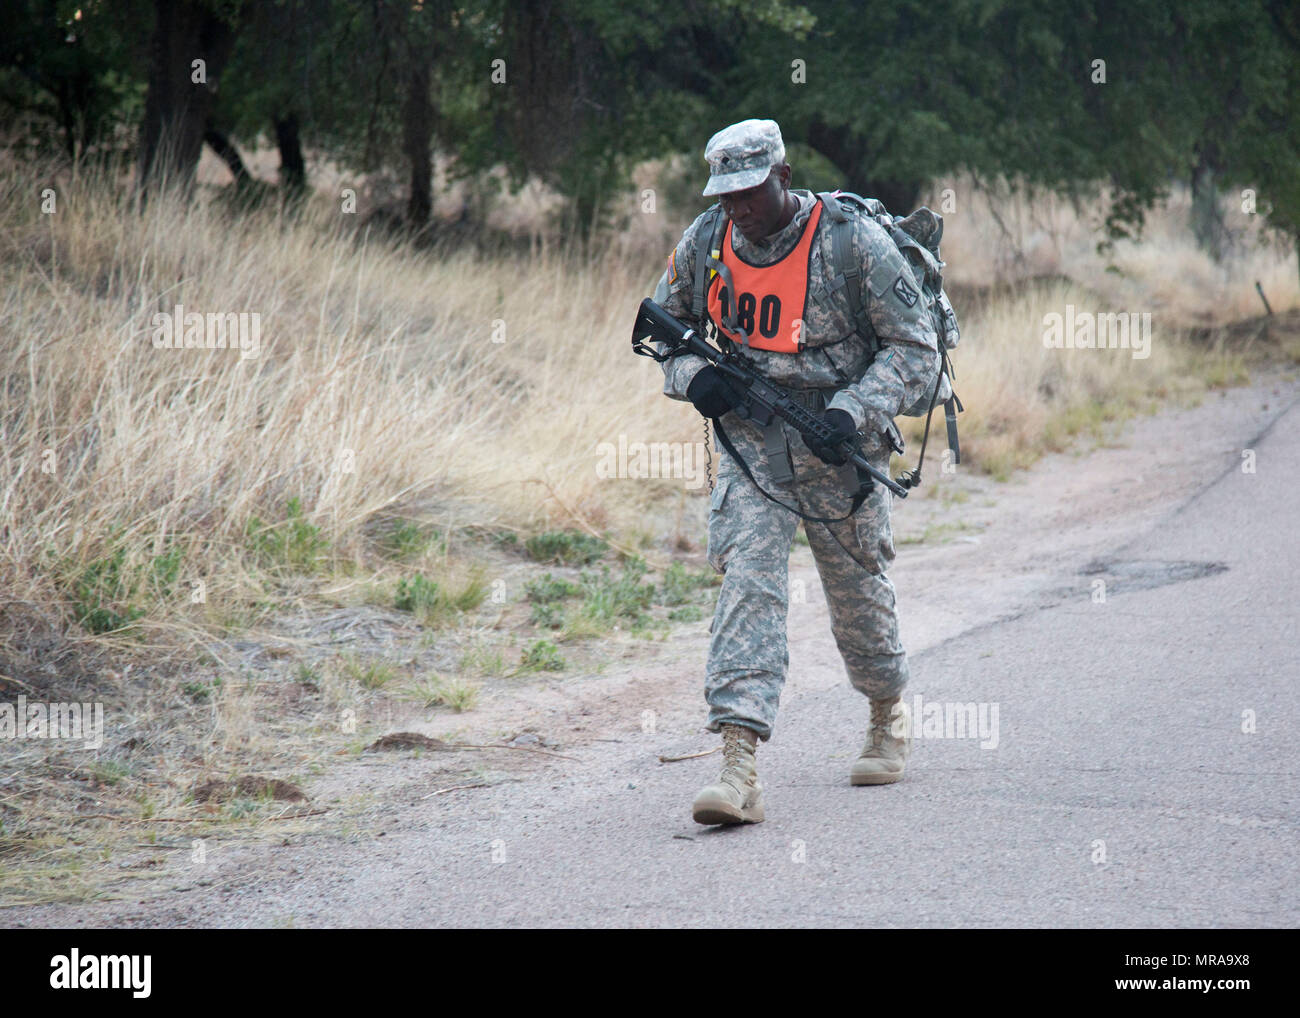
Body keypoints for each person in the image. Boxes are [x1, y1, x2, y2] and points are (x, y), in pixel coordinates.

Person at [648, 118, 940, 826]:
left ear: (782, 176)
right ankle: (737, 763)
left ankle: (885, 714)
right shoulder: (707, 240)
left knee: (859, 594)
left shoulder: (853, 245)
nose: (736, 209)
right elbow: (663, 328)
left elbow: (917, 350)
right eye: (724, 195)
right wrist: (694, 378)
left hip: (841, 446)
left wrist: (854, 411)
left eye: (748, 192)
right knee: (748, 585)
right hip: (752, 446)